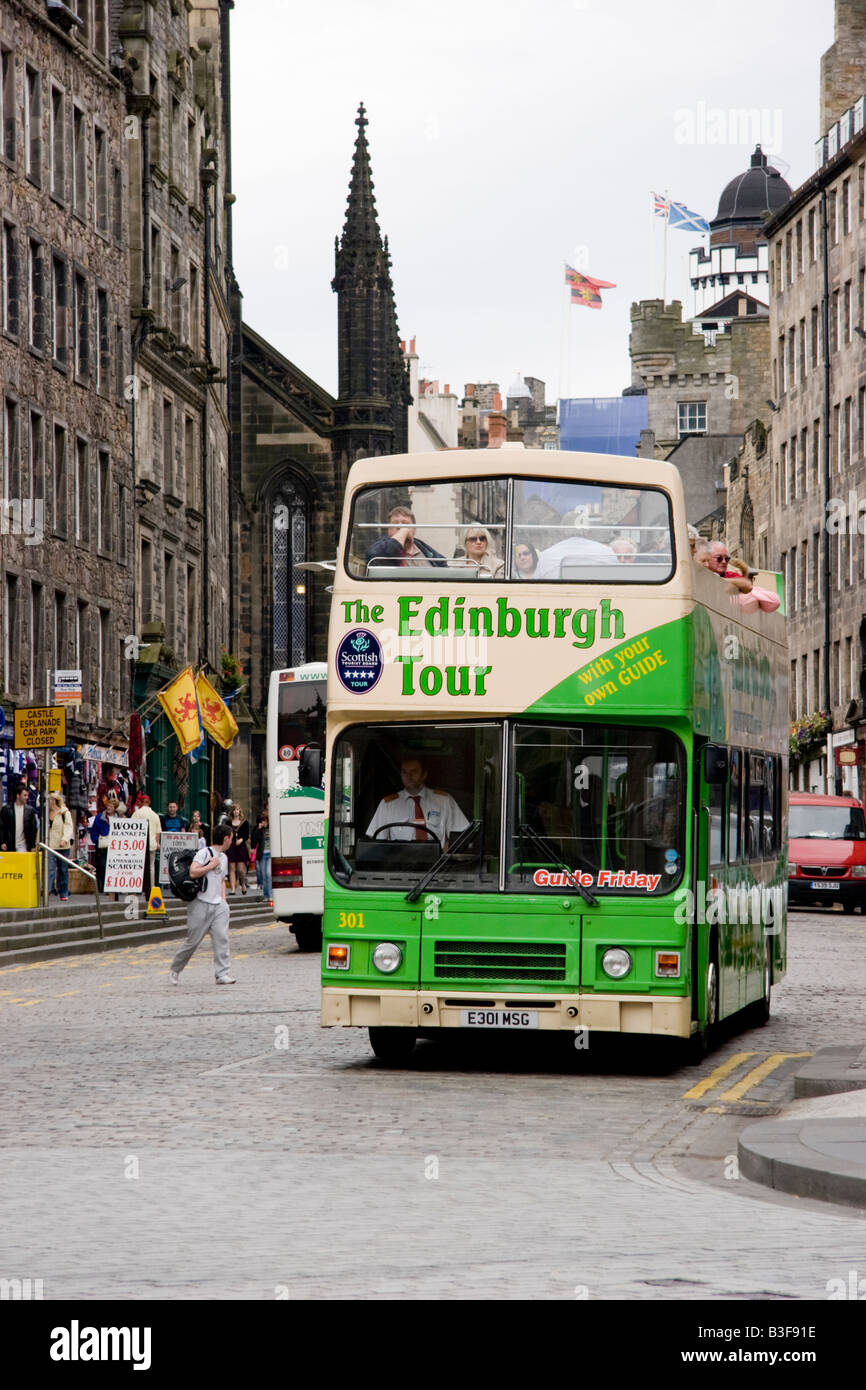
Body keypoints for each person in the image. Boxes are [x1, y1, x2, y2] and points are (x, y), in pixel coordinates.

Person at [168, 824, 236, 986]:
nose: (231, 842)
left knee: (222, 938)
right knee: (193, 941)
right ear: (225, 838)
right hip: (200, 903)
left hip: (217, 904)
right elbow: (193, 872)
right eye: (231, 839)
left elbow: (221, 880)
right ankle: (175, 969)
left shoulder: (224, 858)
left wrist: (223, 900)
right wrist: (210, 866)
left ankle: (222, 973)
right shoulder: (204, 853)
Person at [366, 756, 469, 851]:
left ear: (424, 774)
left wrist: (448, 850)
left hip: (436, 865)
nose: (408, 776)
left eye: (413, 772)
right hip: (399, 866)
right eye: (404, 772)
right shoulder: (387, 804)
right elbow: (377, 843)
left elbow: (462, 836)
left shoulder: (444, 801)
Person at [365, 505, 445, 569]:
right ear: (389, 530)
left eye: (405, 524)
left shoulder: (423, 548)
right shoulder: (381, 546)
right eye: (395, 524)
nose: (400, 527)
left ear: (414, 528)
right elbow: (373, 556)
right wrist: (404, 531)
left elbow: (443, 565)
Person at [533, 528, 618, 580]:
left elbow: (535, 586)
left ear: (562, 531)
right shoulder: (607, 552)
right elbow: (618, 580)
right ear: (588, 532)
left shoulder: (546, 555)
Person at [134, 793, 163, 896]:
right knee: (151, 867)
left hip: (140, 845)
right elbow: (158, 832)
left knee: (139, 866)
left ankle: (138, 887)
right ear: (149, 802)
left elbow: (132, 828)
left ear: (141, 802)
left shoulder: (137, 814)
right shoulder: (155, 815)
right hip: (152, 844)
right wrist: (158, 843)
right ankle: (151, 886)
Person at [48, 793, 74, 900]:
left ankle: (63, 892)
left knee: (63, 870)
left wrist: (64, 839)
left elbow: (69, 827)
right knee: (50, 868)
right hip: (50, 845)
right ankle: (47, 890)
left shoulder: (64, 813)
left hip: (62, 846)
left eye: (49, 800)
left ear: (54, 801)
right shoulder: (47, 813)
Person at [0, 781, 38, 853]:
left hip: (23, 846)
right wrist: (2, 842)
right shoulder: (6, 809)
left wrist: (33, 845)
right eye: (24, 795)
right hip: (9, 845)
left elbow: (33, 829)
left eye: (27, 795)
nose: (27, 797)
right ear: (18, 795)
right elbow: (2, 827)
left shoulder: (30, 810)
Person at [89, 794, 116, 892]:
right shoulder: (100, 817)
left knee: (113, 867)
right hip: (102, 846)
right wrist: (97, 841)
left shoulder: (118, 818)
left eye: (111, 806)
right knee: (102, 866)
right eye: (108, 805)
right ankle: (103, 887)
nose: (109, 807)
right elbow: (94, 831)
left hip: (115, 846)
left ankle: (113, 886)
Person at [226, 804, 250, 894]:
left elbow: (247, 835)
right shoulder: (228, 822)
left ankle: (243, 883)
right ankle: (233, 889)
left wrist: (241, 839)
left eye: (237, 810)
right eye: (234, 810)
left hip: (240, 847)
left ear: (240, 811)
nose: (236, 811)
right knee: (231, 868)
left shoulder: (244, 822)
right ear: (232, 811)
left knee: (240, 869)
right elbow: (226, 833)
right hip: (231, 846)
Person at [251, 807, 272, 901]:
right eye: (262, 821)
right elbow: (254, 841)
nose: (264, 822)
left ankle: (270, 895)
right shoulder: (260, 830)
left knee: (268, 874)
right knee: (263, 876)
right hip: (263, 854)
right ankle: (266, 895)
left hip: (271, 854)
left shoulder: (272, 829)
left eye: (265, 820)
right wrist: (258, 829)